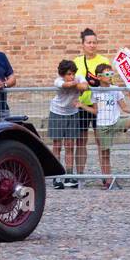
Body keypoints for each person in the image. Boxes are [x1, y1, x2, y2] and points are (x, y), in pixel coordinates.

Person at [87, 62, 130, 190]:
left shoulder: (116, 89)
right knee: (105, 154)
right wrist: (82, 106)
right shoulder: (95, 92)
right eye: (107, 74)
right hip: (102, 125)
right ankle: (107, 180)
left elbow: (124, 107)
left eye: (111, 73)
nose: (110, 76)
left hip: (116, 121)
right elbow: (95, 111)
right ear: (99, 76)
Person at [72, 28, 111, 177]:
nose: (92, 45)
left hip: (99, 105)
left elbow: (109, 80)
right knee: (81, 141)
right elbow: (73, 82)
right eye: (89, 42)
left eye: (94, 42)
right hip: (81, 105)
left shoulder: (104, 60)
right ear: (83, 44)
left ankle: (104, 175)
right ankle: (80, 175)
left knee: (101, 141)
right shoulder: (77, 62)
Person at [49, 60, 83, 188]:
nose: (72, 76)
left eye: (73, 73)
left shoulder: (78, 78)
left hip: (72, 113)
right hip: (57, 112)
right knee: (57, 145)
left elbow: (85, 86)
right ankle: (56, 175)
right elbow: (67, 85)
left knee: (70, 145)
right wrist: (77, 83)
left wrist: (80, 83)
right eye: (69, 74)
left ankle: (69, 175)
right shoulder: (58, 81)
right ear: (62, 74)